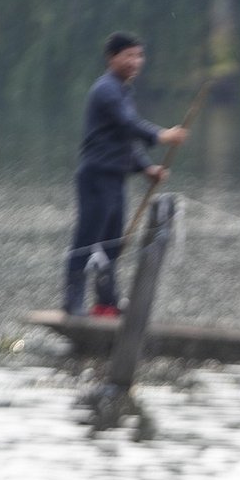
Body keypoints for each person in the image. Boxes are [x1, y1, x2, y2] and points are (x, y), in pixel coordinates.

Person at [63, 32, 188, 317]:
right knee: (87, 240)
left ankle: (107, 303)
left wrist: (147, 168)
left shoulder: (123, 91)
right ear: (112, 58)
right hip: (96, 177)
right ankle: (73, 304)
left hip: (116, 179)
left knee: (113, 243)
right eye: (129, 55)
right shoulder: (106, 90)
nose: (135, 62)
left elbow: (124, 141)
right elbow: (128, 124)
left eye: (139, 55)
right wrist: (161, 135)